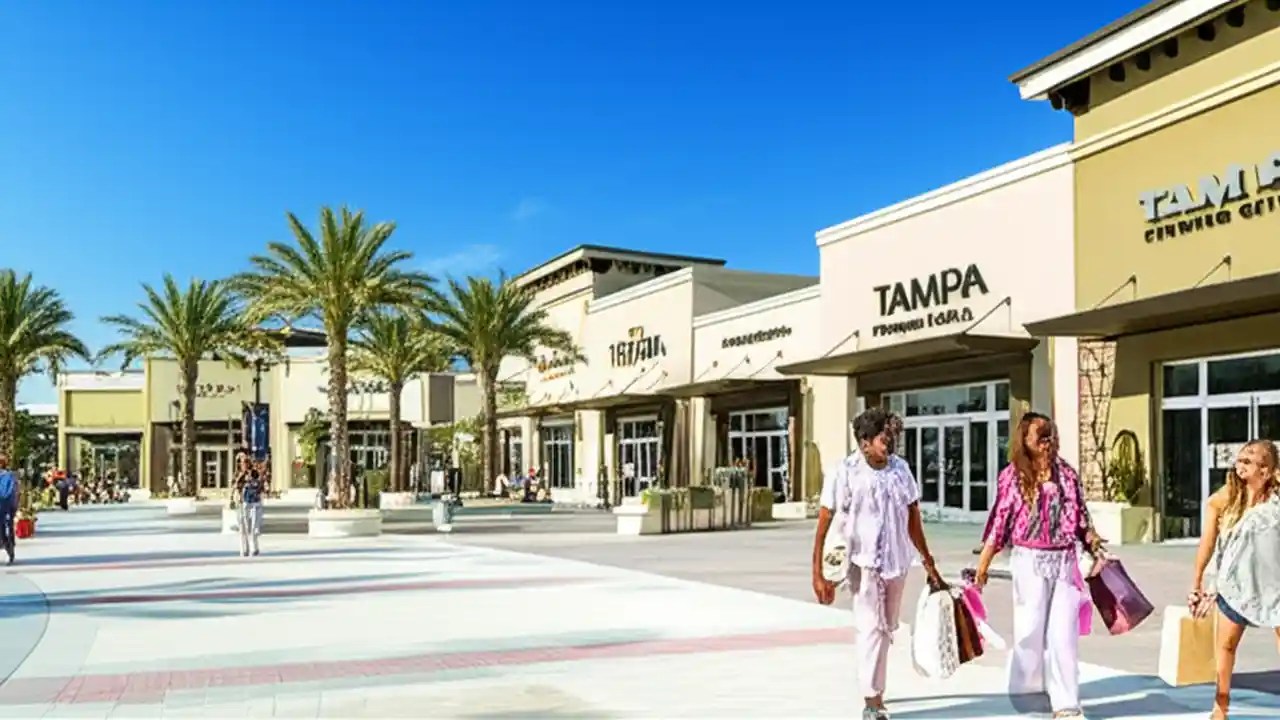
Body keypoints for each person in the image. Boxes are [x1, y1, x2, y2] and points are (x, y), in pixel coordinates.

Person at [811, 407, 943, 720]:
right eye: (885, 439)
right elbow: (824, 522)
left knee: (887, 629)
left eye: (893, 438)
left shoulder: (901, 470)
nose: (891, 445)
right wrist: (818, 573)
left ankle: (876, 689)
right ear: (864, 441)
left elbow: (913, 517)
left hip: (896, 563)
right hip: (861, 564)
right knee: (870, 628)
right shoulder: (844, 472)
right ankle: (872, 700)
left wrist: (929, 563)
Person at [975, 412, 1101, 720]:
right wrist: (983, 567)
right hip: (1029, 560)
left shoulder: (1067, 474)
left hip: (1064, 560)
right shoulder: (1012, 476)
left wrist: (1092, 540)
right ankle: (1027, 690)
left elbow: (1081, 516)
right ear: (1026, 442)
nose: (1048, 443)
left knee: (1063, 635)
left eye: (1052, 436)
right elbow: (999, 525)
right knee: (1029, 630)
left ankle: (1066, 704)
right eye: (1041, 438)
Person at [1189, 439, 1280, 720]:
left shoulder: (1276, 499)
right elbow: (1207, 543)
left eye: (1250, 459)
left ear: (1265, 469)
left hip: (1274, 585)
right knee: (1225, 646)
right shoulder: (1222, 500)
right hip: (1234, 585)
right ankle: (1220, 706)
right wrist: (1196, 582)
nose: (1241, 462)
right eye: (1240, 458)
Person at [234, 466, 266, 557]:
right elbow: (236, 486)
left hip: (250, 505)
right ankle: (248, 549)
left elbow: (262, 490)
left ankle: (250, 549)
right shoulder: (245, 479)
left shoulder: (252, 481)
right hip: (248, 505)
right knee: (248, 529)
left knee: (251, 529)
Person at [0, 453, 17, 565]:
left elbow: (10, 492)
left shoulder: (8, 476)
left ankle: (10, 552)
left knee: (4, 531)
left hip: (4, 507)